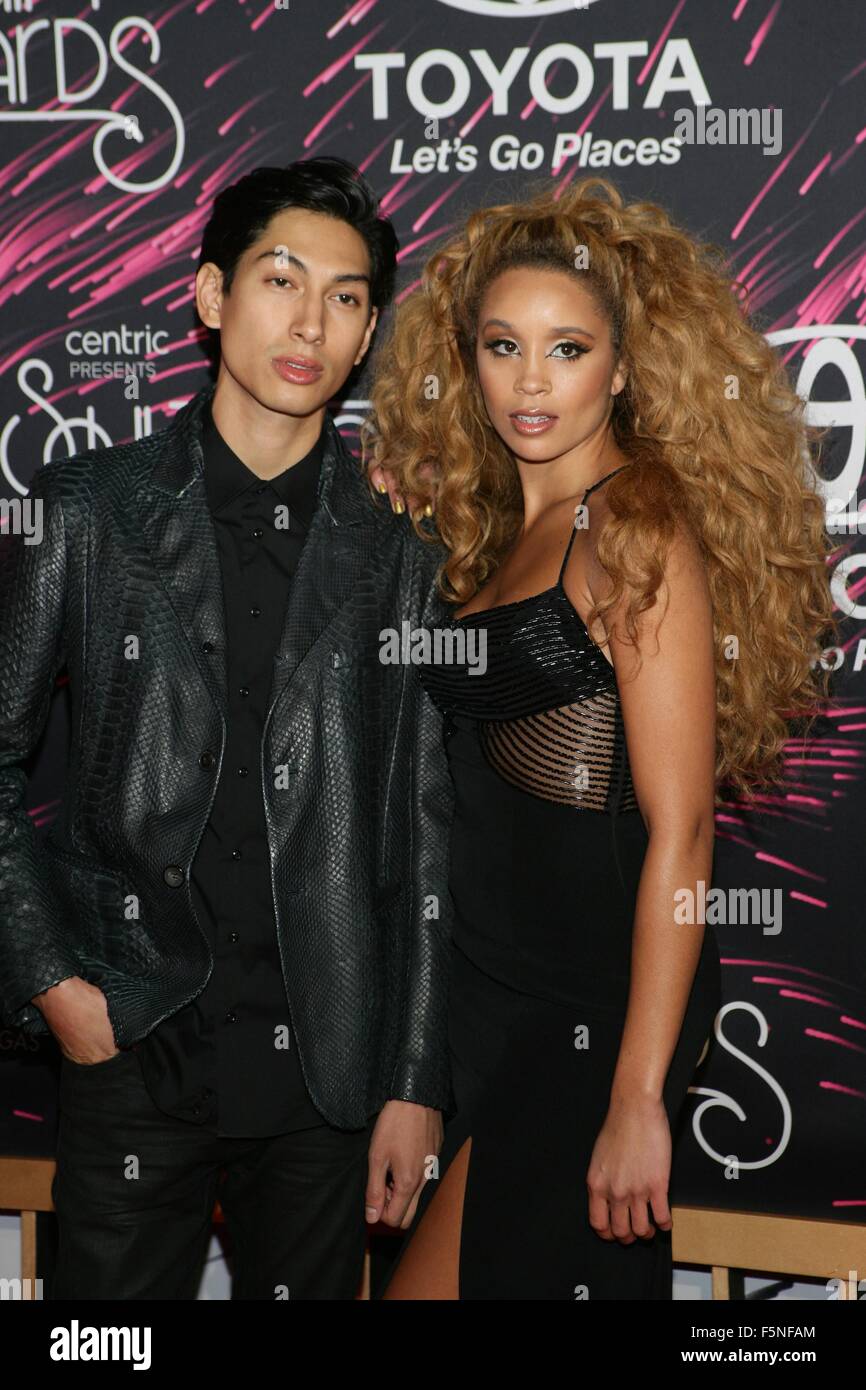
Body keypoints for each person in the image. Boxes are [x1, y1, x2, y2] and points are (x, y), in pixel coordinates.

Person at [364, 176, 838, 1299]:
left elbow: (679, 835)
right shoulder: (481, 534)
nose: (530, 381)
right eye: (500, 346)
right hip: (486, 992)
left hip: (592, 1007)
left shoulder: (631, 522)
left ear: (620, 369)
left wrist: (635, 1095)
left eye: (566, 349)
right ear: (463, 359)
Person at [0, 156, 456, 1300]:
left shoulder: (400, 553)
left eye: (346, 297)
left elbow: (421, 835)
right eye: (281, 279)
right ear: (210, 296)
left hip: (324, 1076)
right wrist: (59, 986)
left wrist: (412, 1081)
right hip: (134, 1041)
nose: (309, 320)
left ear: (364, 337)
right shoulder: (87, 512)